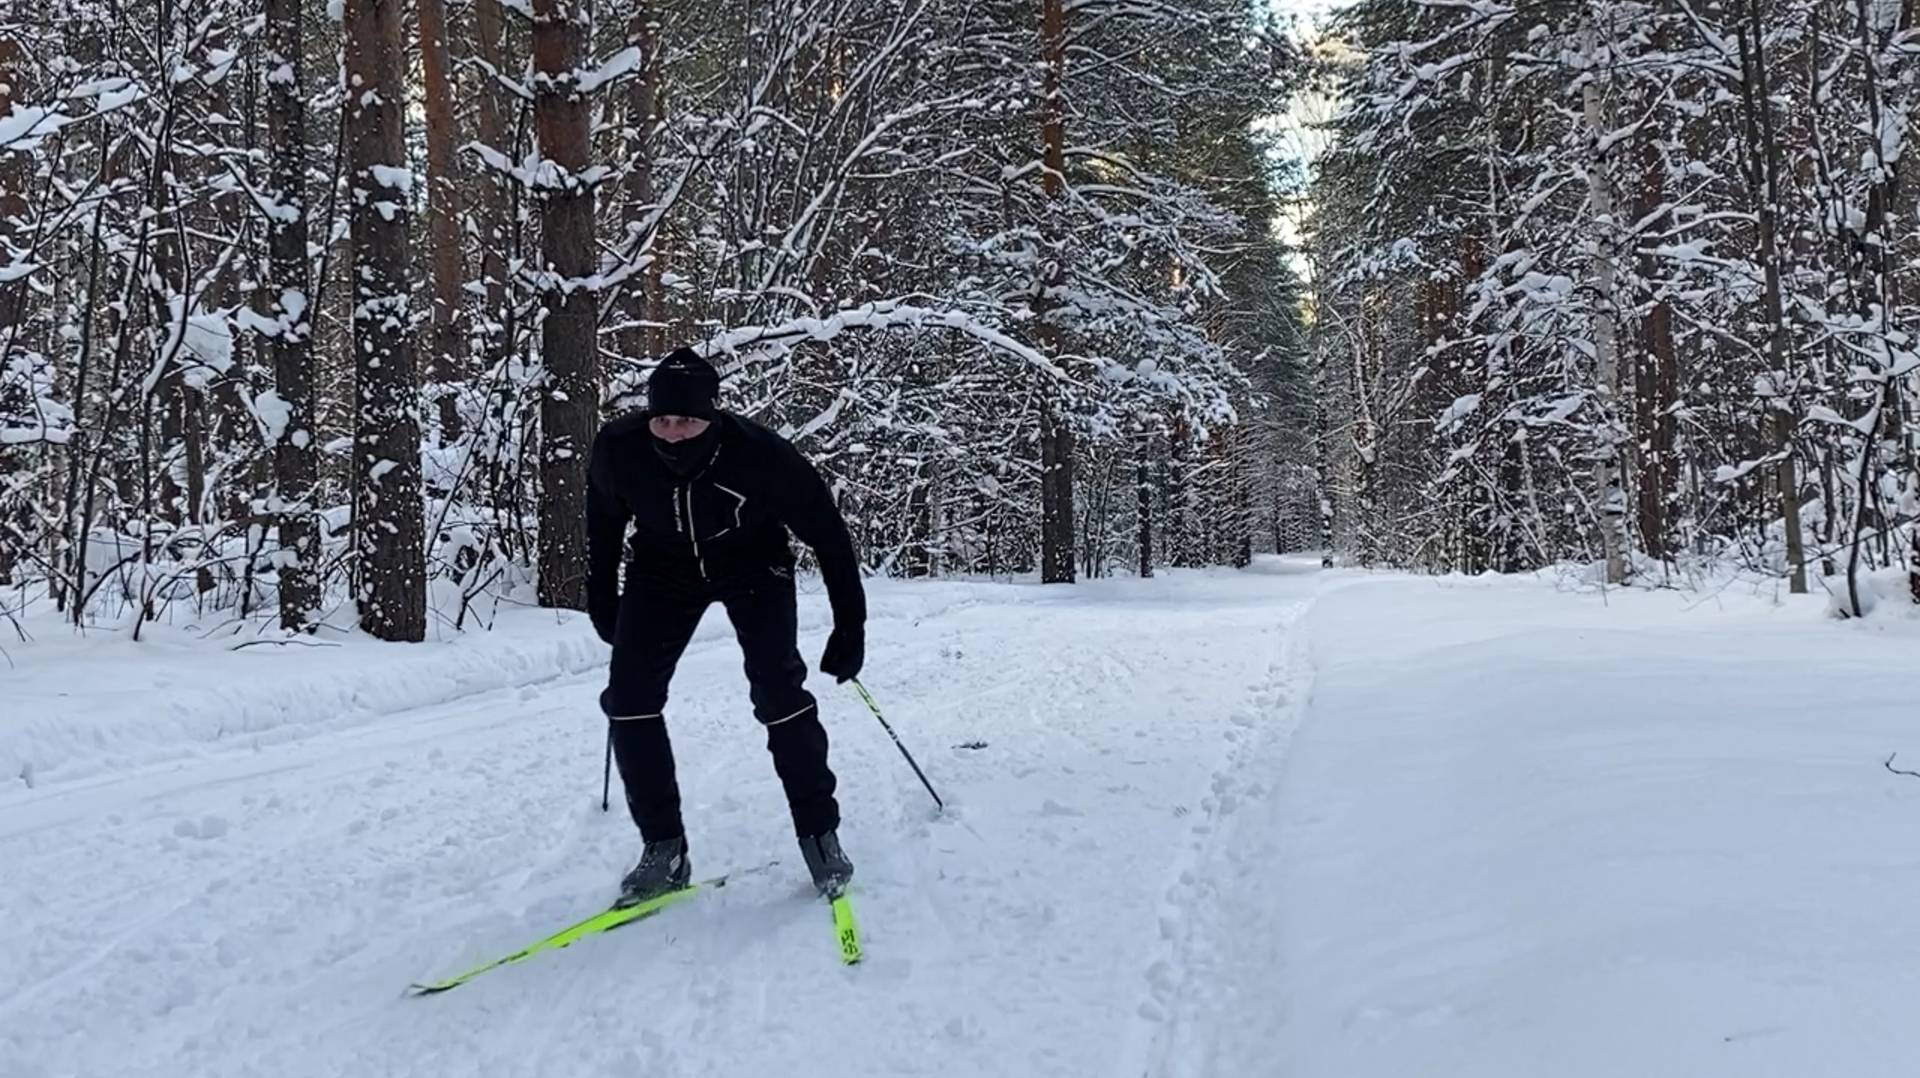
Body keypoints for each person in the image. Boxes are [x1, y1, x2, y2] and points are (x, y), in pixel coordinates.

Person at [586, 347, 866, 904]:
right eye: (661, 420)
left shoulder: (761, 455)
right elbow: (603, 523)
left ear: (713, 417)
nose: (671, 434)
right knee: (629, 699)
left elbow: (830, 537)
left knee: (778, 691)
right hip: (661, 568)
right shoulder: (620, 448)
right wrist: (602, 599)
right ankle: (664, 849)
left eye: (687, 421)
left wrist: (849, 626)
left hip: (751, 563)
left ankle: (820, 835)